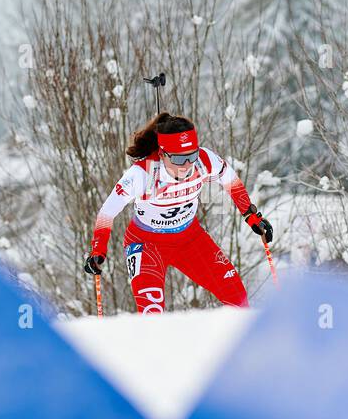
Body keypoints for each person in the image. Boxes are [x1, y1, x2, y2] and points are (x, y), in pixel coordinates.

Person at [84, 112, 273, 314]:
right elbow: (107, 212)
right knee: (152, 315)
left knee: (238, 300)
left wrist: (250, 215)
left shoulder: (204, 160)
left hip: (190, 239)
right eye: (179, 159)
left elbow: (231, 182)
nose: (187, 165)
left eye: (191, 155)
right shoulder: (143, 173)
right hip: (147, 245)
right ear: (162, 153)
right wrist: (98, 249)